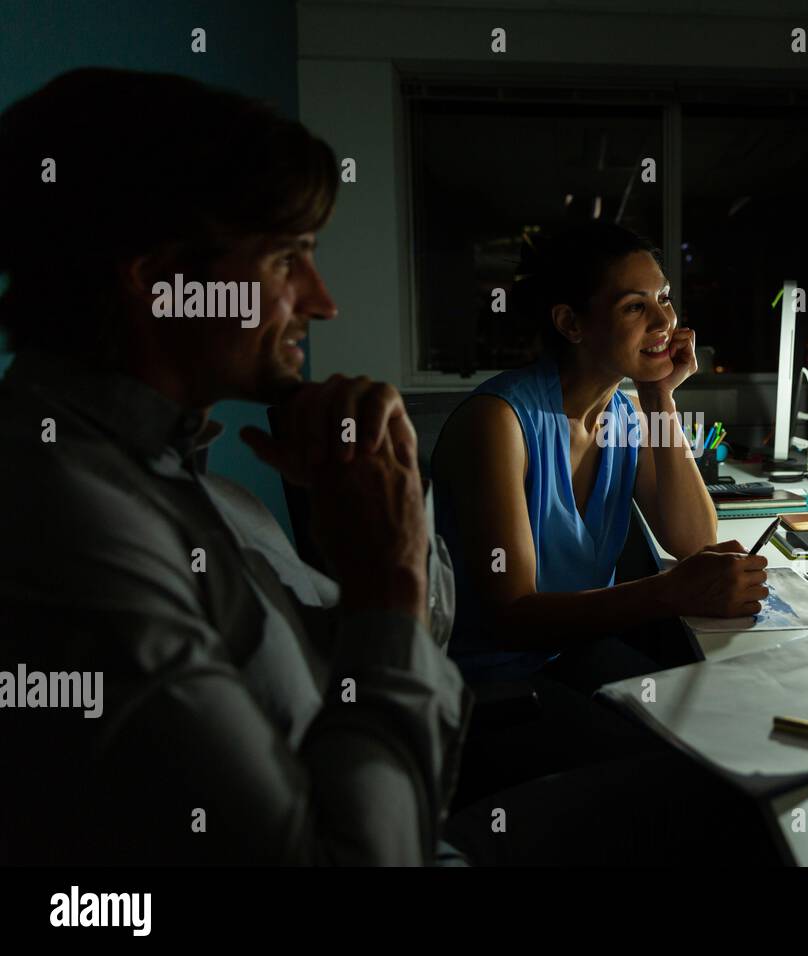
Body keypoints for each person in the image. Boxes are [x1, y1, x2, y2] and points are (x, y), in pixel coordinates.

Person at [0, 68, 468, 865]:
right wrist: (387, 578)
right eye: (288, 259)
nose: (322, 302)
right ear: (157, 283)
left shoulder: (201, 486)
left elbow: (418, 638)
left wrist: (382, 519)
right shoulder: (66, 522)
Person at [432, 221, 770, 690]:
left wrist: (659, 397)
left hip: (573, 656)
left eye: (664, 298)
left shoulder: (625, 416)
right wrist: (668, 592)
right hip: (493, 685)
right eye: (635, 306)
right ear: (571, 323)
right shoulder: (498, 422)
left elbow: (693, 539)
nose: (664, 322)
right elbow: (511, 619)